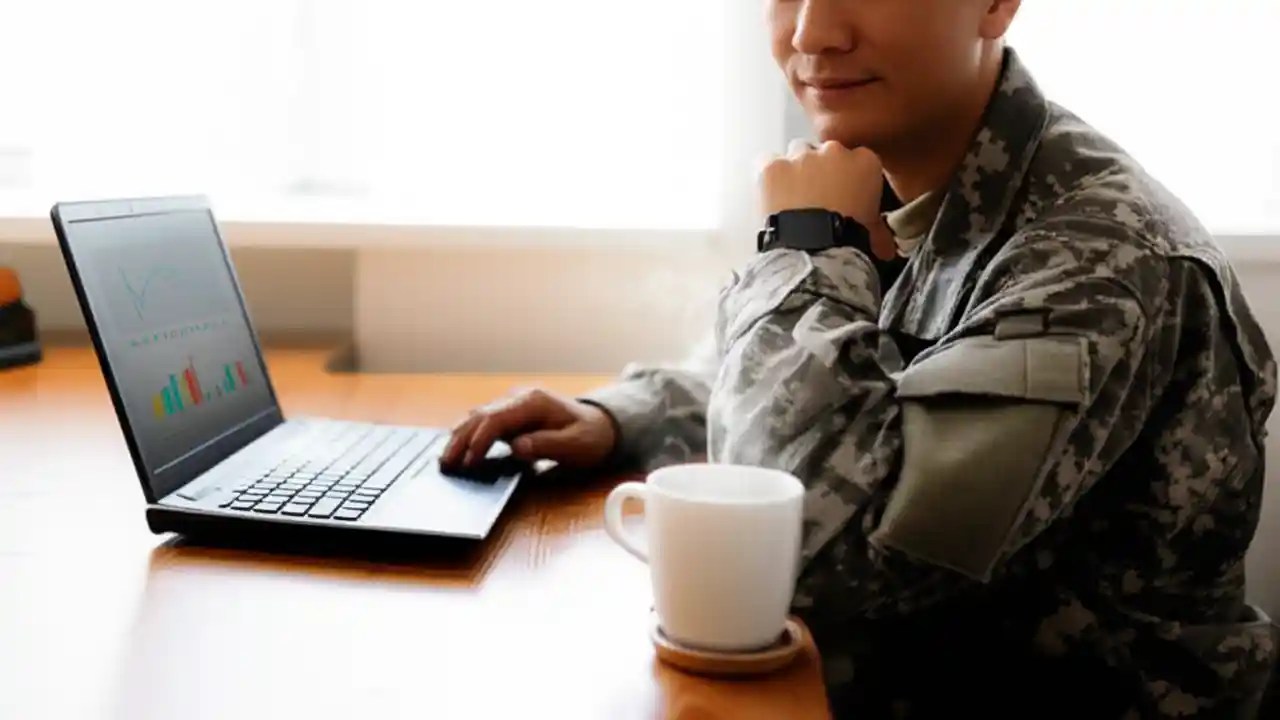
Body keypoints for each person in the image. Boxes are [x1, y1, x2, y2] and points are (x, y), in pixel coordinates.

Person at [443, 0, 1278, 716]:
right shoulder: (886, 165)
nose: (811, 33)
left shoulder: (1100, 255)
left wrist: (808, 248)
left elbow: (809, 558)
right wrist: (614, 421)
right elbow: (817, 397)